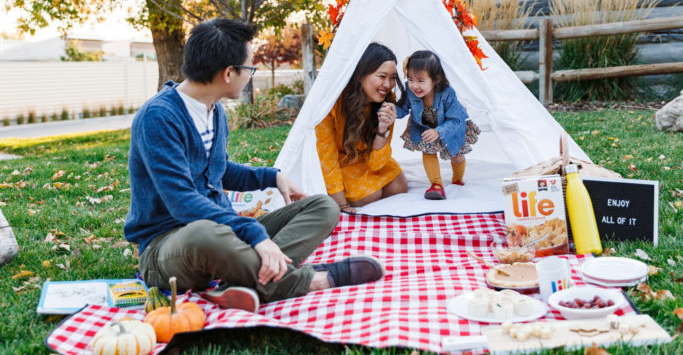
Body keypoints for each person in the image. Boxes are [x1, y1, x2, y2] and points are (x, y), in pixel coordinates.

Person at [124, 18, 383, 313]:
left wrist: (272, 177)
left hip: (223, 230)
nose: (250, 74)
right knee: (206, 233)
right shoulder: (158, 117)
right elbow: (182, 202)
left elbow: (217, 170)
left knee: (323, 206)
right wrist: (254, 234)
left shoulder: (214, 110)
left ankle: (249, 278)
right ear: (228, 73)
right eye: (249, 68)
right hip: (169, 246)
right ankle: (312, 279)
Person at [316, 42, 408, 212]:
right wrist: (340, 203)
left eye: (393, 77)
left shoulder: (388, 100)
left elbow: (377, 163)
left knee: (399, 186)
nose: (388, 84)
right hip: (341, 162)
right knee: (369, 196)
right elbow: (327, 158)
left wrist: (382, 130)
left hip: (367, 159)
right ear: (360, 75)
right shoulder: (332, 103)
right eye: (382, 76)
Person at [395, 50, 480, 200]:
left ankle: (457, 179)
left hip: (451, 126)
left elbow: (455, 120)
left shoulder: (447, 93)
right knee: (428, 150)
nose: (415, 85)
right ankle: (436, 184)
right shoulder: (410, 90)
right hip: (426, 126)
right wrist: (392, 110)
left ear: (436, 79)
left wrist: (439, 131)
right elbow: (402, 109)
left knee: (457, 155)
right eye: (410, 79)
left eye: (421, 81)